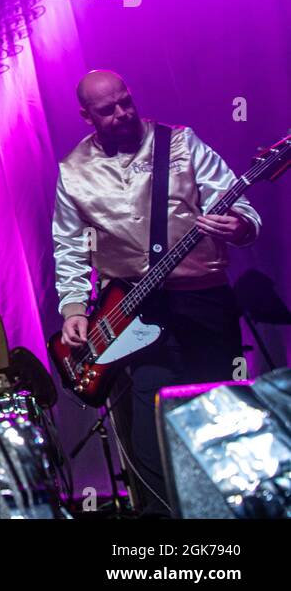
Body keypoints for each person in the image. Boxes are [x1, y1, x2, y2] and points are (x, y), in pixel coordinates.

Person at [52, 70, 260, 514]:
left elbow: (236, 202)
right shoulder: (72, 172)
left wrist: (239, 226)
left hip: (202, 300)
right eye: (108, 110)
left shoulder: (181, 143)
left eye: (126, 101)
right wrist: (73, 307)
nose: (123, 113)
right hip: (133, 311)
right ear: (86, 115)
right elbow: (69, 246)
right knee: (151, 429)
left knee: (217, 412)